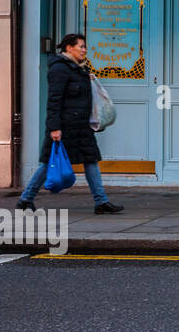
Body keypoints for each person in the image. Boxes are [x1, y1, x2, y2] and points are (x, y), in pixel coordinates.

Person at [16, 33, 123, 214]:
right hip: (65, 126)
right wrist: (54, 127)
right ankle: (26, 198)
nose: (84, 50)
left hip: (81, 125)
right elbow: (54, 100)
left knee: (91, 160)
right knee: (49, 162)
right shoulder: (59, 69)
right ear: (68, 48)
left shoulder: (79, 69)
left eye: (84, 46)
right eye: (81, 46)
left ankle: (101, 201)